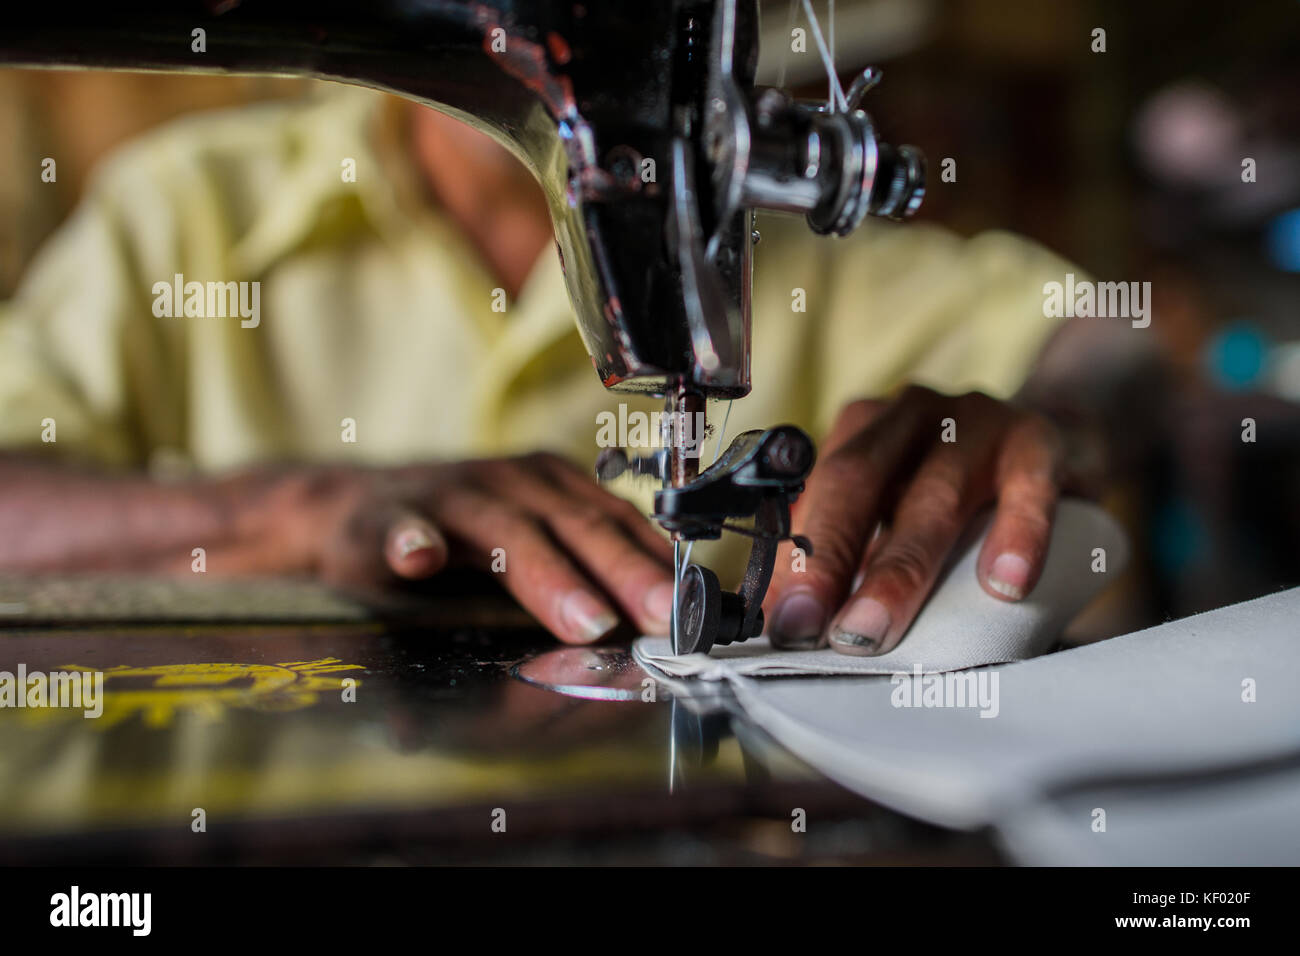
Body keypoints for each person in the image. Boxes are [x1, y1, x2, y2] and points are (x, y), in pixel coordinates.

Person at [0, 85, 1136, 655]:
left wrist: (1047, 418)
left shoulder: (815, 264)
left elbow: (1110, 337)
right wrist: (291, 512)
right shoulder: (185, 216)